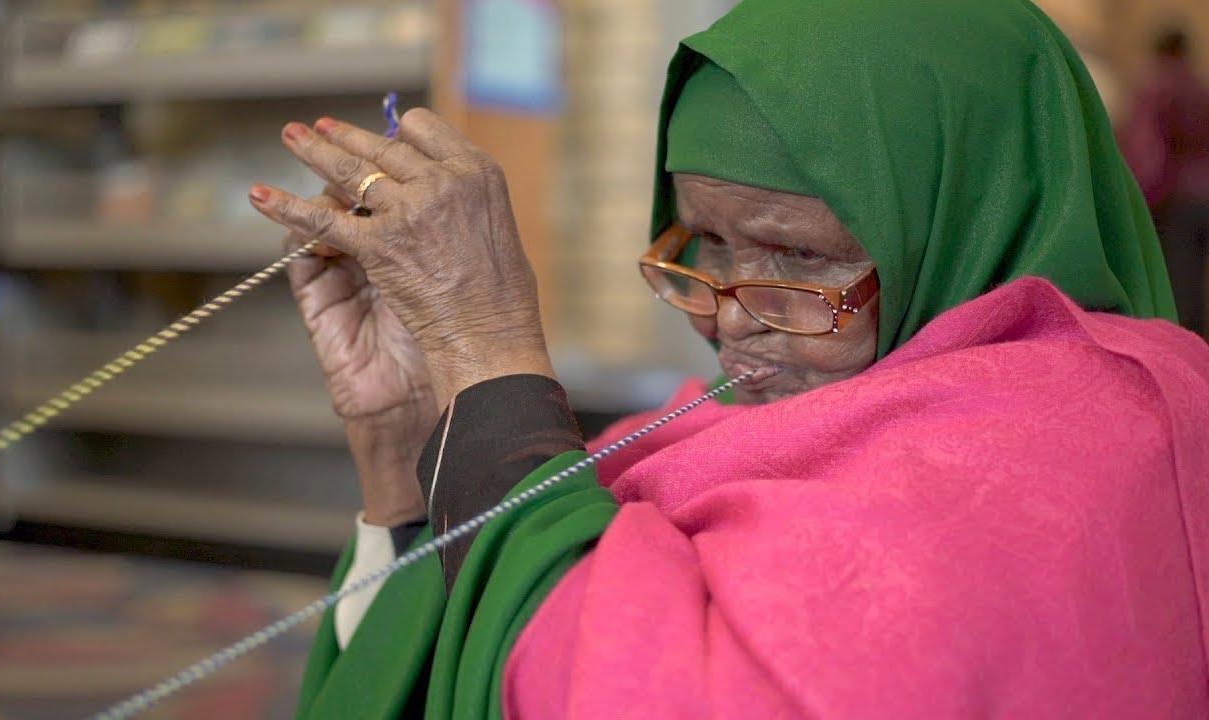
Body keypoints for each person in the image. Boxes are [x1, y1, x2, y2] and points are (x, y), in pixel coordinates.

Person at [248, 0, 1209, 717]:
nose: (731, 323)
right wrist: (409, 453)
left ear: (966, 224)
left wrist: (489, 355)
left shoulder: (1074, 447)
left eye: (798, 256)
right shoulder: (722, 421)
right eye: (703, 244)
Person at [1121, 27, 1209, 337]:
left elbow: (1150, 150)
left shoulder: (1158, 85)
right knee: (1198, 278)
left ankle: (1185, 343)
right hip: (1203, 192)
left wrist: (1140, 195)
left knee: (1179, 277)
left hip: (1176, 198)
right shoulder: (1199, 87)